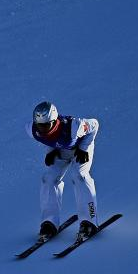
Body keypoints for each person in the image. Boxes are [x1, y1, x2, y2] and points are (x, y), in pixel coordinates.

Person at [30, 101, 99, 242]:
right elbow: (46, 139)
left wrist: (84, 148)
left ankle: (89, 221)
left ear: (54, 121)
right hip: (60, 151)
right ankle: (49, 222)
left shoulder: (74, 126)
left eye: (46, 126)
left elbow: (94, 125)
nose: (42, 130)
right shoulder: (32, 130)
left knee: (79, 176)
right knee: (49, 178)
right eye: (39, 126)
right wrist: (51, 150)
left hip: (79, 151)